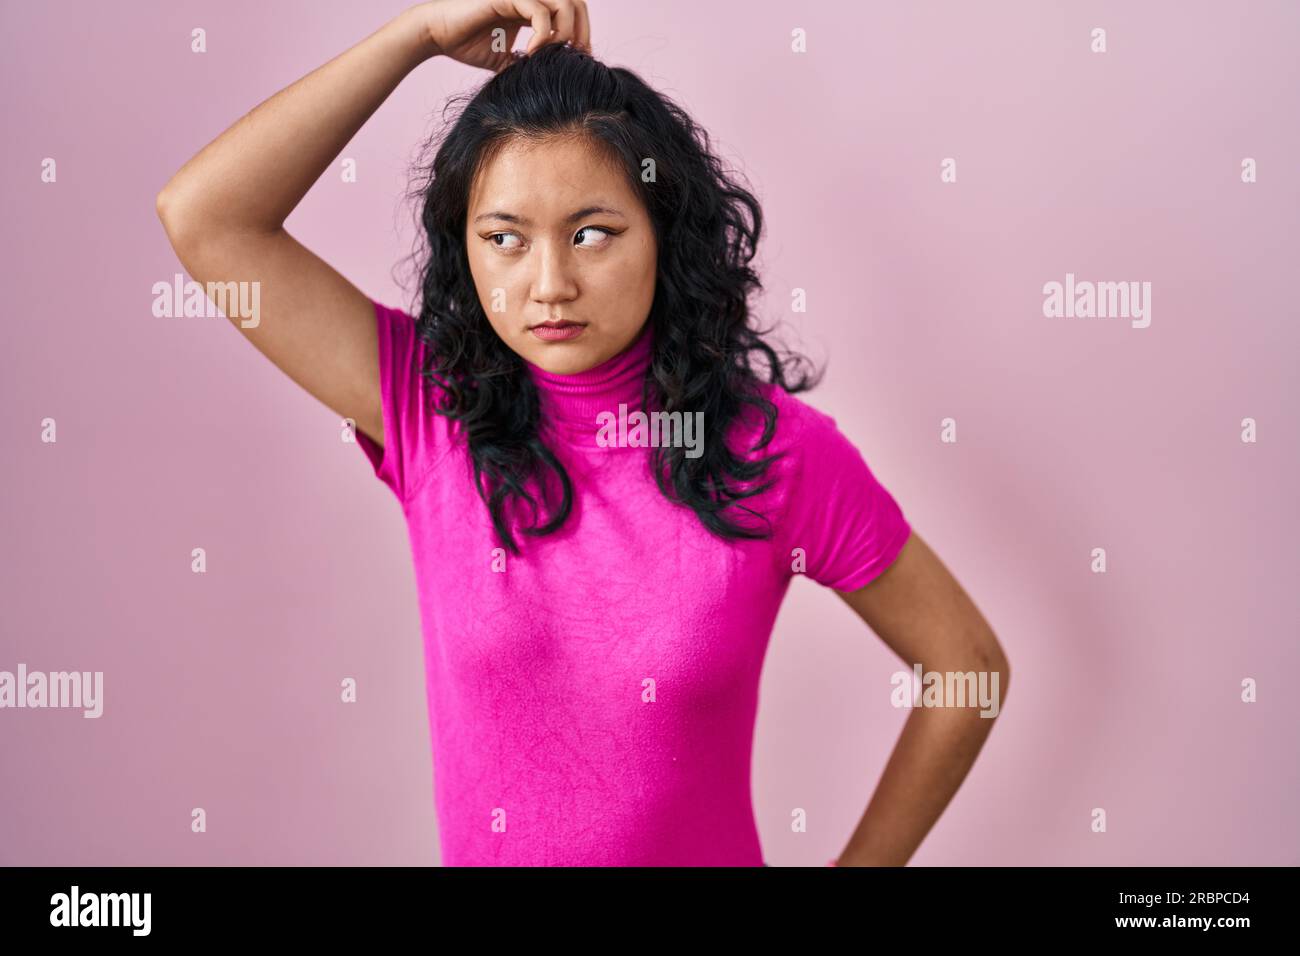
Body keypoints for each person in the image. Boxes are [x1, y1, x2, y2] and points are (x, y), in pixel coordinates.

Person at [155, 0, 1010, 868]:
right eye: (506, 239)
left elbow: (966, 667)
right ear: (467, 248)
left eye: (592, 233)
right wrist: (411, 39)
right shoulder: (430, 407)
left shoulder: (775, 451)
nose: (550, 283)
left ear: (662, 235)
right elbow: (206, 218)